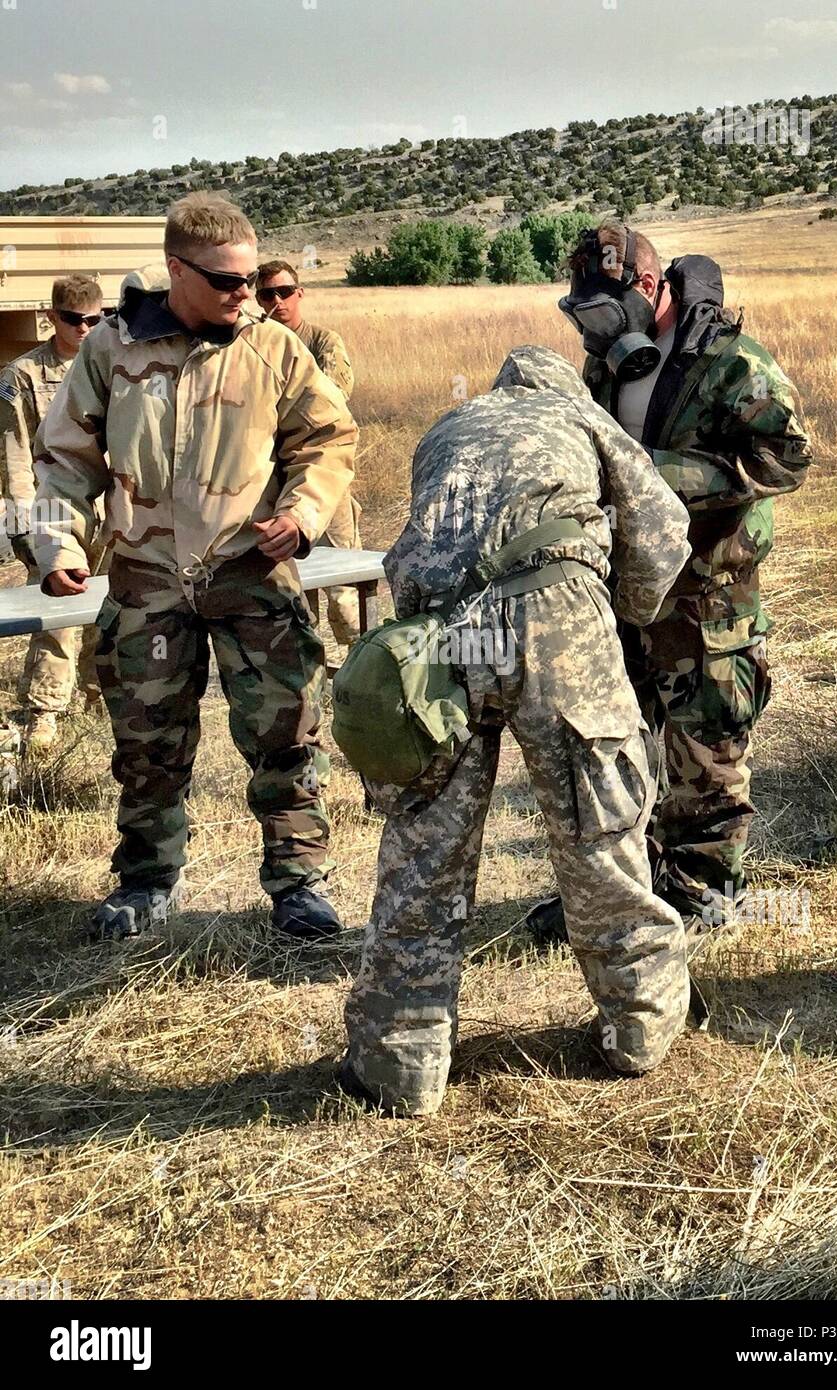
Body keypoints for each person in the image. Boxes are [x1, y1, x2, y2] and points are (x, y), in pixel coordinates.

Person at [341, 346, 692, 1116]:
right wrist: (625, 609)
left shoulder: (448, 424)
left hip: (439, 635)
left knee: (424, 847)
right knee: (600, 832)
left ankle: (400, 1067)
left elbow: (422, 543)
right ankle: (639, 1030)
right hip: (557, 622)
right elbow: (664, 532)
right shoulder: (580, 414)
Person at [32, 194, 358, 941]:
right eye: (227, 282)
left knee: (284, 735)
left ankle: (299, 882)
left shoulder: (271, 347)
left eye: (252, 280)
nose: (246, 295)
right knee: (147, 743)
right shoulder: (110, 349)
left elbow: (329, 439)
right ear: (176, 270)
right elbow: (64, 463)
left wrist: (303, 514)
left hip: (250, 571)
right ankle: (146, 881)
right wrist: (60, 549)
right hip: (146, 577)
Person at [535, 220, 814, 952]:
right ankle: (623, 885)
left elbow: (785, 456)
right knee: (623, 742)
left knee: (706, 749)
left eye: (606, 311)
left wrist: (657, 476)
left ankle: (704, 890)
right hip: (631, 591)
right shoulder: (605, 368)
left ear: (649, 287)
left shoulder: (729, 362)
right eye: (583, 315)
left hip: (708, 595)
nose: (595, 331)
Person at [0, 274, 107, 750]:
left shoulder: (109, 363)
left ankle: (97, 693)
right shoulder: (20, 374)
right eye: (72, 319)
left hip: (109, 507)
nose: (83, 328)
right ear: (51, 316)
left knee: (109, 608)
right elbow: (14, 451)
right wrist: (23, 520)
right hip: (52, 508)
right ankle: (43, 711)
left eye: (94, 319)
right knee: (60, 611)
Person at [255, 259, 361, 648]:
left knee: (342, 581)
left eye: (285, 292)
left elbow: (333, 404)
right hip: (272, 481)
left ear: (300, 293)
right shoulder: (252, 346)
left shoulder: (322, 342)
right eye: (267, 294)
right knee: (291, 587)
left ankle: (357, 667)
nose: (277, 301)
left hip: (320, 477)